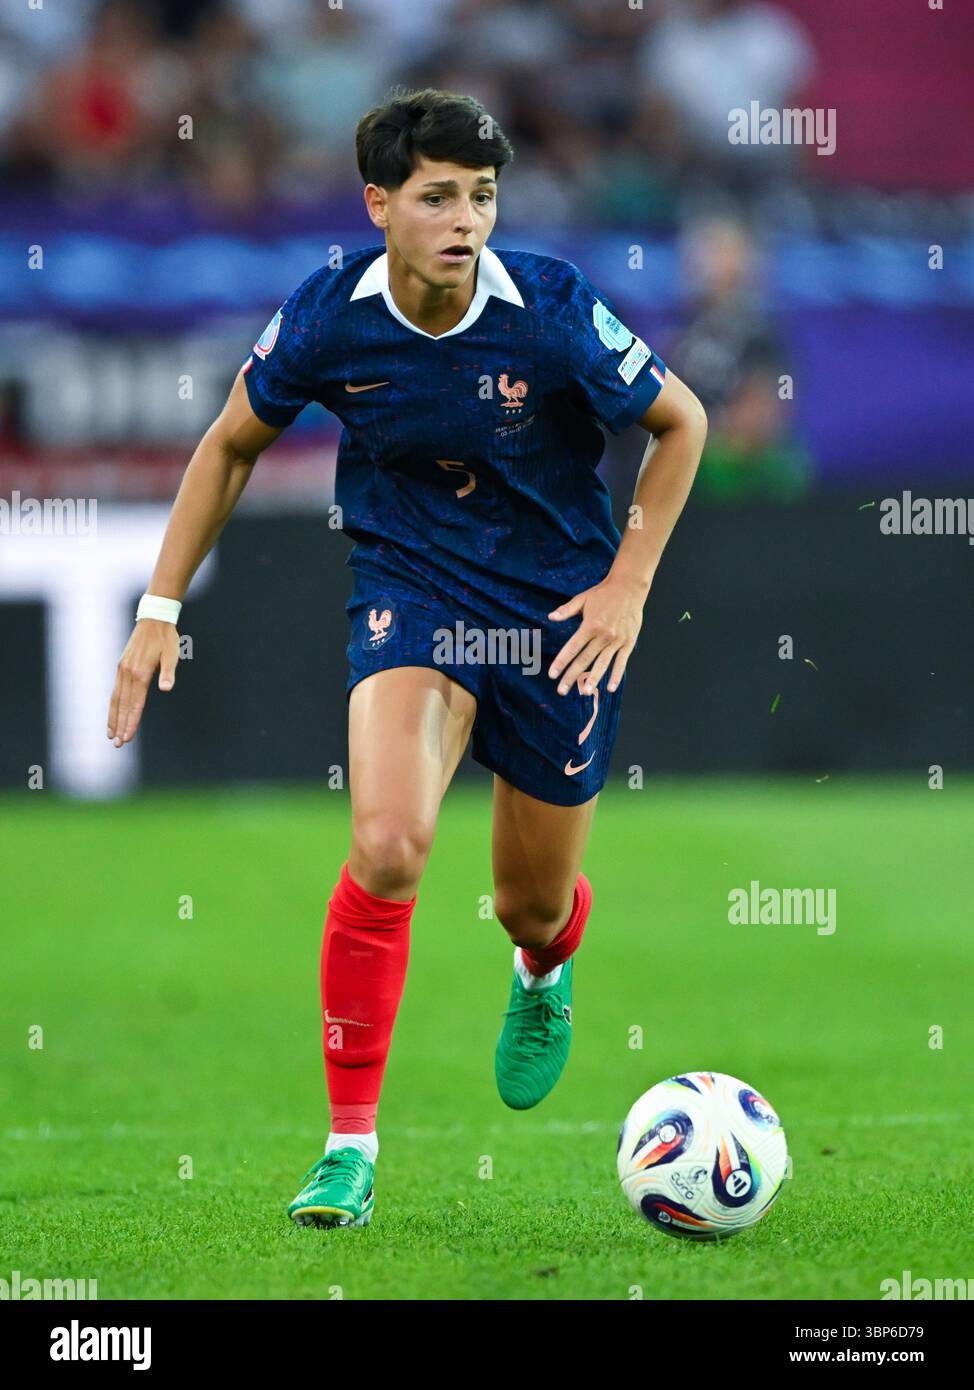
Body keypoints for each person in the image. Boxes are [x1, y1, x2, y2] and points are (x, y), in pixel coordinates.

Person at [106, 87, 707, 1230]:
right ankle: (347, 1146)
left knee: (528, 903)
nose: (465, 219)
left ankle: (541, 968)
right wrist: (157, 605)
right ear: (377, 203)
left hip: (557, 615)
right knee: (387, 845)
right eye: (437, 197)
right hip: (412, 594)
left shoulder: (551, 308)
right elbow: (230, 442)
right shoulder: (331, 313)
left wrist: (626, 584)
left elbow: (682, 422)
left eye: (481, 196)